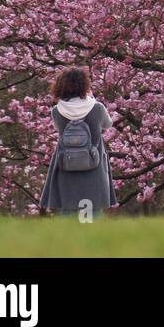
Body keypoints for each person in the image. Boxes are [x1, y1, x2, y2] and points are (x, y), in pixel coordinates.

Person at [39, 67, 118, 216]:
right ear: (84, 85)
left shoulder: (57, 111)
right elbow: (108, 125)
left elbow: (58, 128)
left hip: (66, 164)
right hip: (93, 164)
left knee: (68, 211)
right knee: (91, 211)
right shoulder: (97, 108)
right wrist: (92, 99)